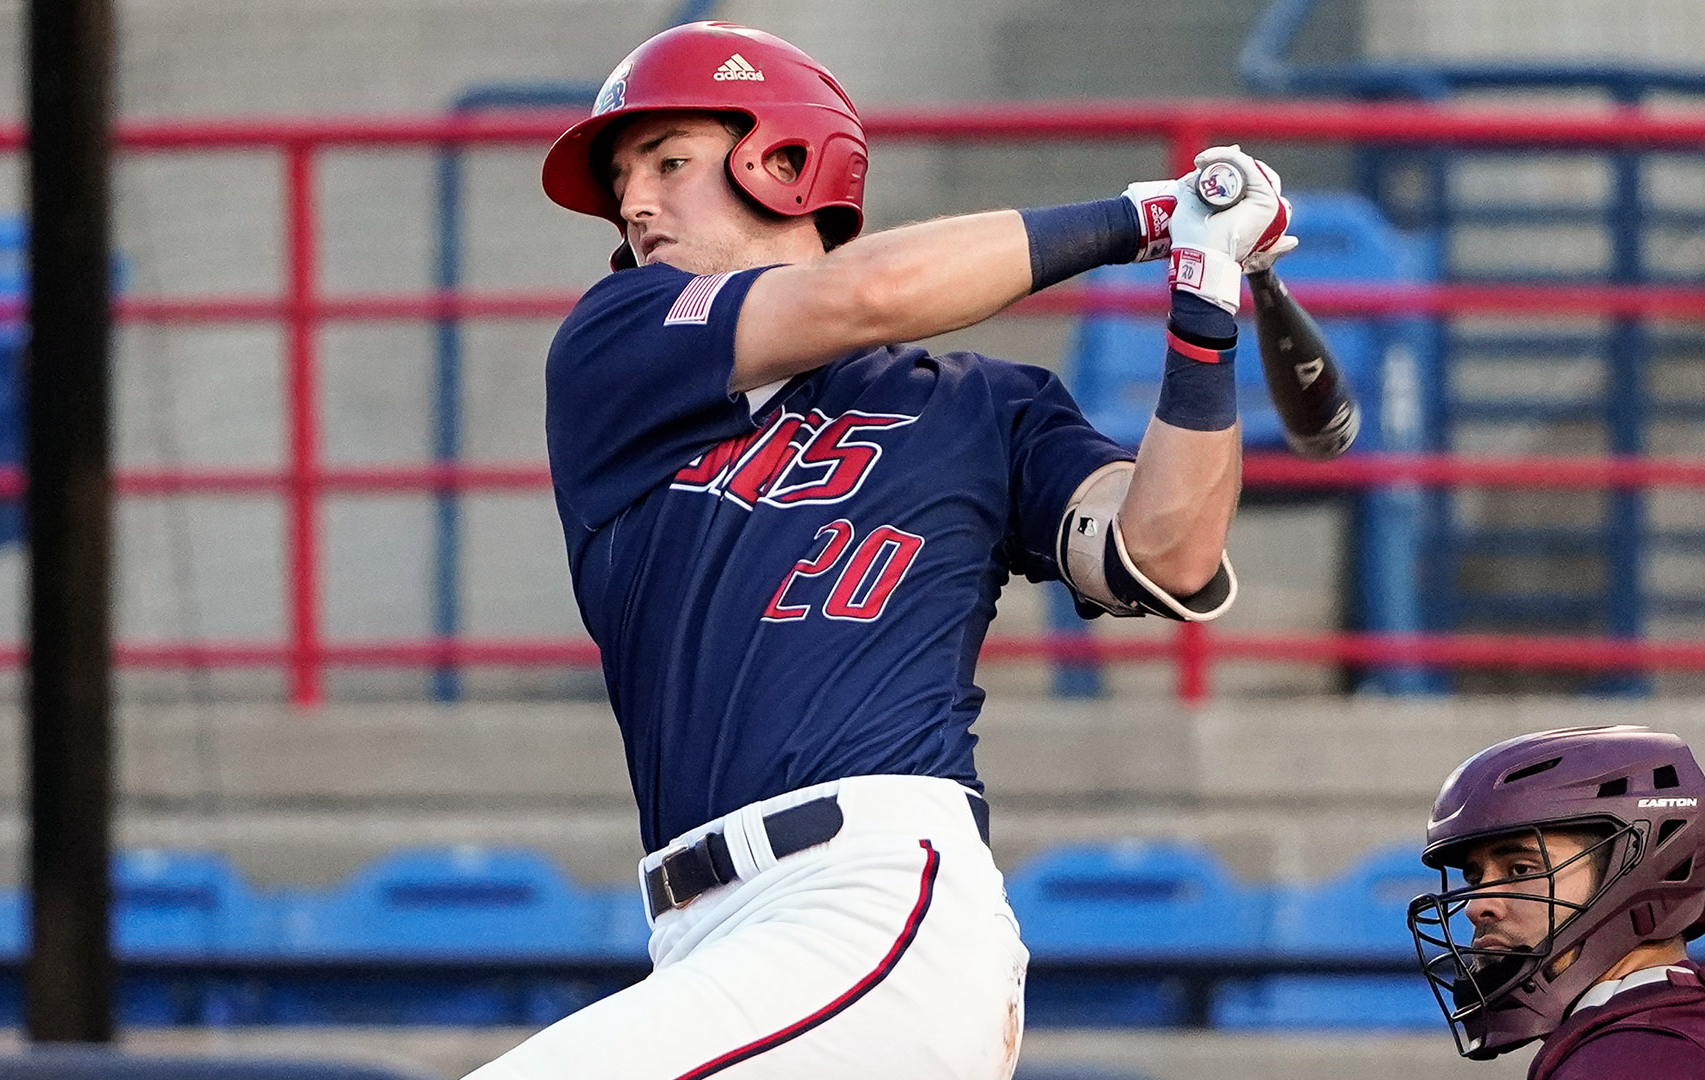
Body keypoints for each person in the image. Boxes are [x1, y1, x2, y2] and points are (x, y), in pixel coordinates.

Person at [466, 20, 1290, 1080]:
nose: (634, 204)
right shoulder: (617, 343)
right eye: (626, 178)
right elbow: (867, 294)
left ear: (788, 163)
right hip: (703, 939)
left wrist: (1204, 294)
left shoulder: (989, 409)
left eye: (669, 163)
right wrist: (1142, 216)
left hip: (869, 904)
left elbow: (1167, 552)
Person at [1408, 724, 1705, 1078]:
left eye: (1521, 870)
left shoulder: (1637, 1060)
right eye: (1474, 878)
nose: (1478, 906)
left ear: (1638, 869)